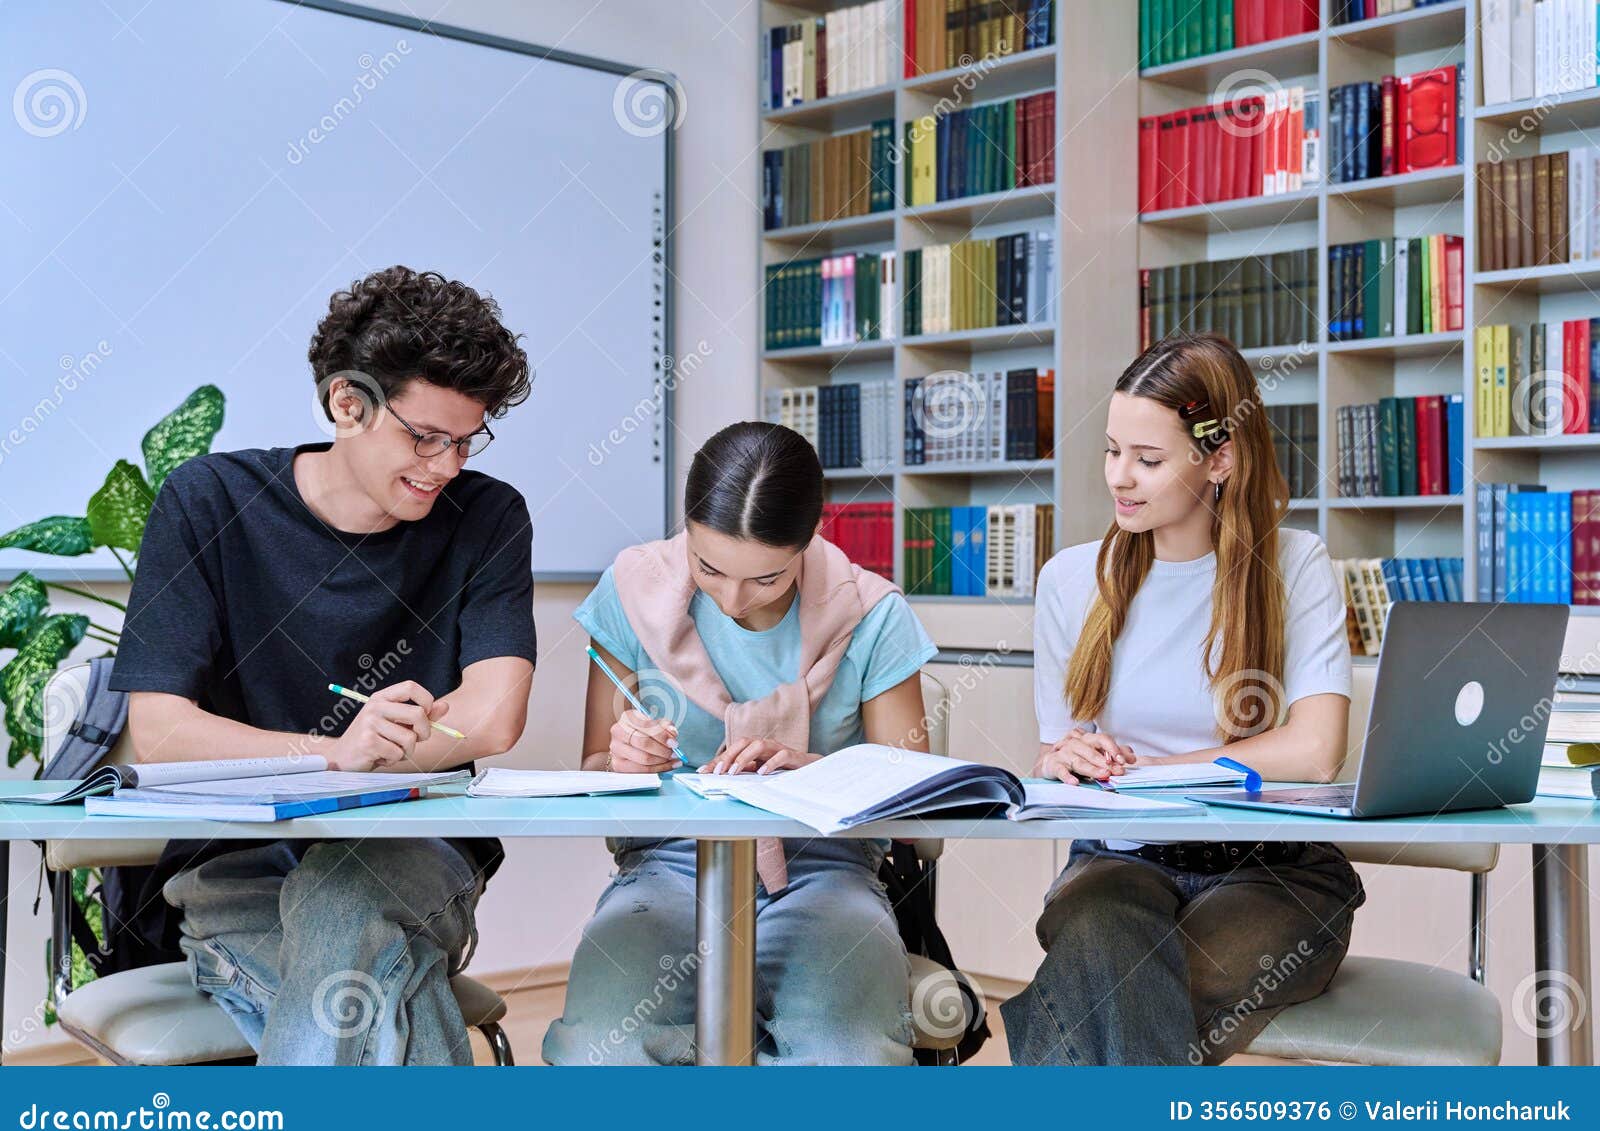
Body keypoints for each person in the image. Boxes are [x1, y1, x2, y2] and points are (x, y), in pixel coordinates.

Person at [111, 266, 537, 1065]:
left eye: (466, 440)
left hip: (410, 857)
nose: (447, 466)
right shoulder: (207, 502)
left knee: (348, 901)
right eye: (425, 437)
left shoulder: (487, 516)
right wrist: (334, 754)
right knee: (396, 1024)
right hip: (238, 868)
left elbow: (494, 713)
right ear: (348, 403)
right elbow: (160, 732)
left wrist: (388, 748)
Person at [1001, 332, 1366, 1066]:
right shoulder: (1071, 581)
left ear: (1220, 458)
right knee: (1106, 949)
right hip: (1120, 861)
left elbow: (1316, 749)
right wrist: (1063, 757)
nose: (1120, 479)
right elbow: (1057, 751)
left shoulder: (1294, 565)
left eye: (1148, 459)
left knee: (1102, 993)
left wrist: (1152, 771)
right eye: (1112, 451)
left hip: (1275, 872)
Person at [542, 421, 936, 1065]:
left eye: (766, 579)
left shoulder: (872, 614)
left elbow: (913, 798)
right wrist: (624, 759)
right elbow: (594, 765)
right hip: (669, 866)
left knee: (848, 1055)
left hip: (824, 871)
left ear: (808, 542)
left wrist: (816, 772)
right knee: (598, 1051)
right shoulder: (631, 592)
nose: (730, 599)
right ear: (688, 529)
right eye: (710, 567)